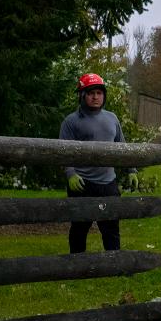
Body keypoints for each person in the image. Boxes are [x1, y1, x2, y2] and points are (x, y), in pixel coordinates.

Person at [60, 73, 124, 254]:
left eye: (99, 93)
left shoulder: (112, 118)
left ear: (104, 96)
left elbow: (122, 147)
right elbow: (62, 151)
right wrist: (70, 173)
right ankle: (77, 262)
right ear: (82, 95)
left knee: (111, 227)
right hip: (82, 184)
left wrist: (133, 170)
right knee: (79, 227)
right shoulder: (71, 121)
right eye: (90, 93)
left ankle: (114, 262)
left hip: (108, 183)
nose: (95, 97)